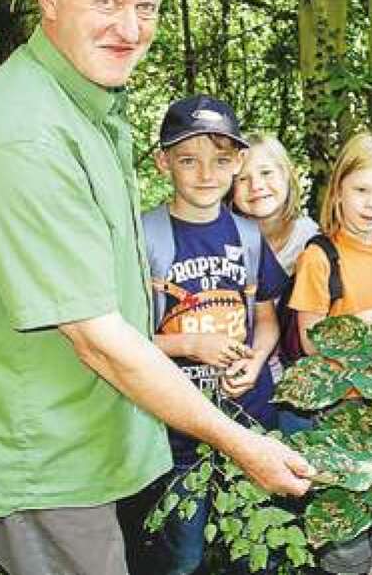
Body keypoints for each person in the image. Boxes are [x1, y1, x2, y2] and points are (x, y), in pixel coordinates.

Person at [0, 0, 312, 575]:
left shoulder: (85, 104)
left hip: (85, 440)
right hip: (42, 465)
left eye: (146, 7)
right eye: (106, 1)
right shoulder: (26, 137)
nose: (130, 29)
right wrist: (238, 440)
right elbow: (99, 334)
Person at [140, 96, 289, 574]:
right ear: (163, 162)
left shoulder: (247, 236)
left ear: (238, 162)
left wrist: (257, 359)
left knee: (259, 547)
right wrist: (187, 345)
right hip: (178, 430)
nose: (206, 174)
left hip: (250, 417)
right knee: (183, 555)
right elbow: (118, 338)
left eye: (221, 160)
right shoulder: (143, 238)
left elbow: (265, 319)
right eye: (189, 160)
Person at [288, 132, 372, 575]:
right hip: (337, 409)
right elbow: (310, 339)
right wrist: (366, 320)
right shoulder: (320, 257)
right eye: (361, 190)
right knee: (345, 509)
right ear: (338, 188)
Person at [232, 131, 321, 379]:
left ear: (287, 174)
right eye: (242, 179)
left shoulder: (312, 240)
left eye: (266, 173)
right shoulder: (226, 241)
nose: (256, 186)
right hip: (244, 369)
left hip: (300, 370)